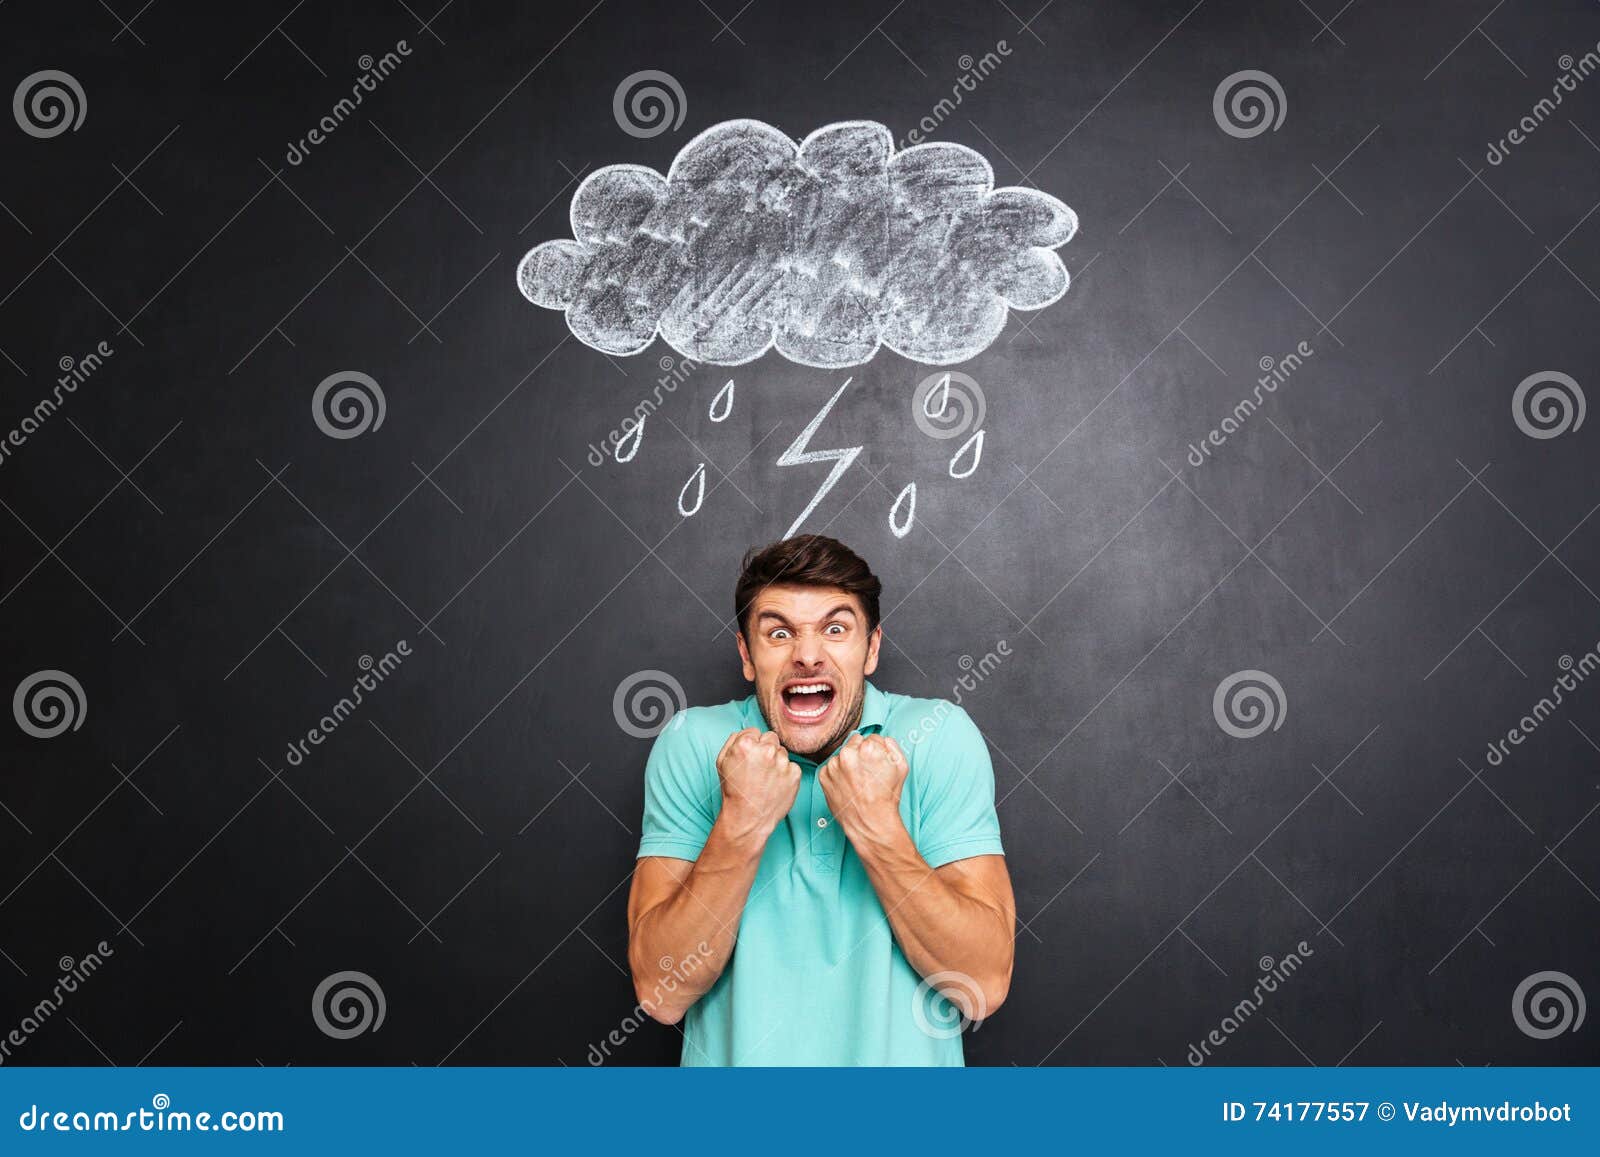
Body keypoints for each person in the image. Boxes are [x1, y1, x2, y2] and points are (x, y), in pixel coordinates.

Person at [626, 534, 1015, 1065]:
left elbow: (984, 983)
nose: (807, 655)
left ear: (871, 648)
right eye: (778, 632)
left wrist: (878, 829)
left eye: (835, 629)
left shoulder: (938, 735)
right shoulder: (692, 744)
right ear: (746, 655)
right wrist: (740, 823)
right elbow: (660, 993)